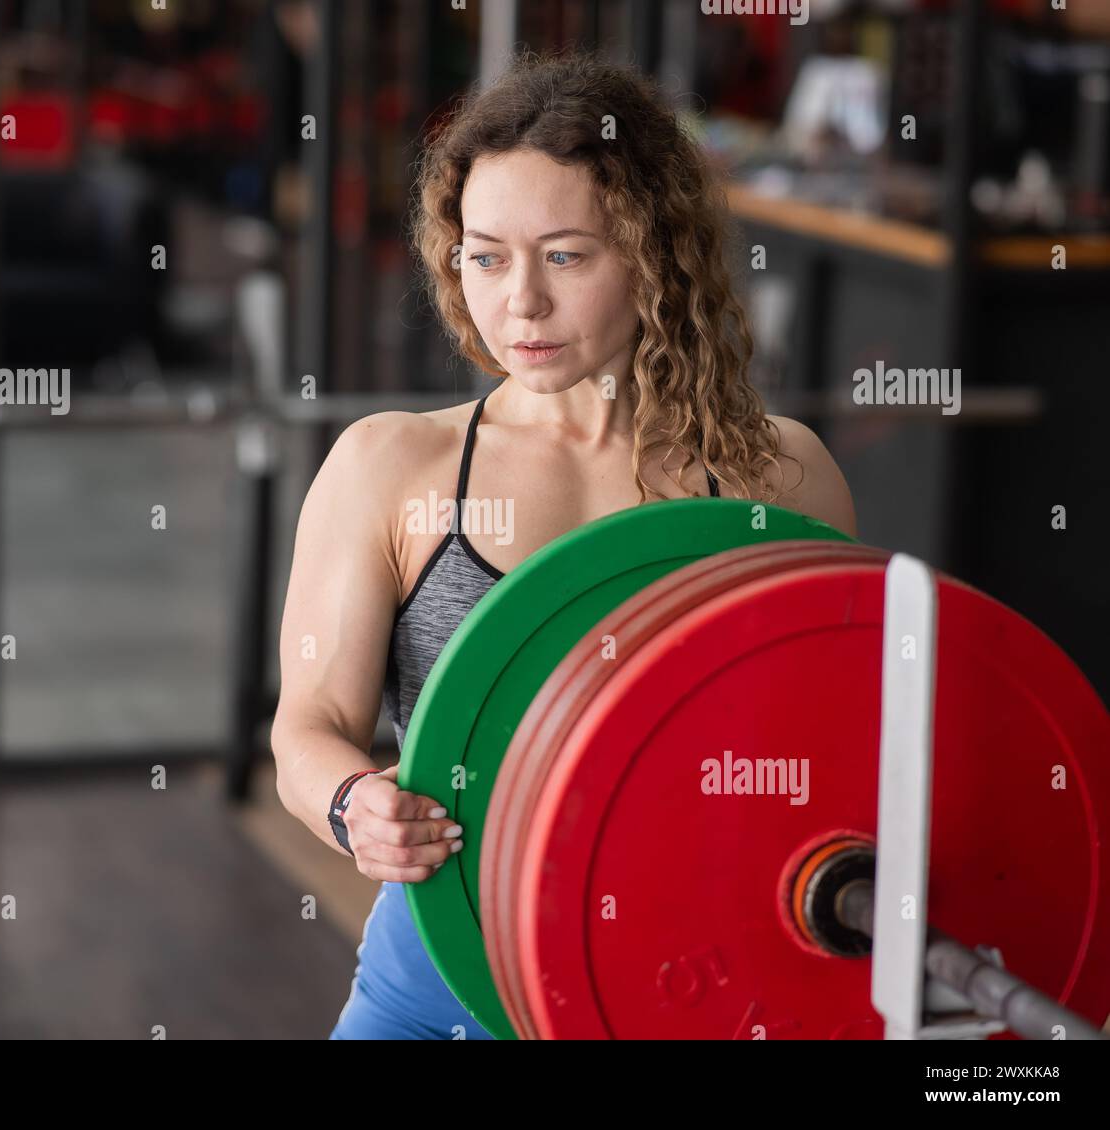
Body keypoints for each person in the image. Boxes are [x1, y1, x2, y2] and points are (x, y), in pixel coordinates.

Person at [271, 49, 858, 1041]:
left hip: (687, 973)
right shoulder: (391, 466)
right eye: (487, 255)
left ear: (653, 255)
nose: (521, 302)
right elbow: (308, 723)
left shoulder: (778, 477)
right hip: (441, 974)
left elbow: (837, 744)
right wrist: (352, 803)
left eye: (568, 254)